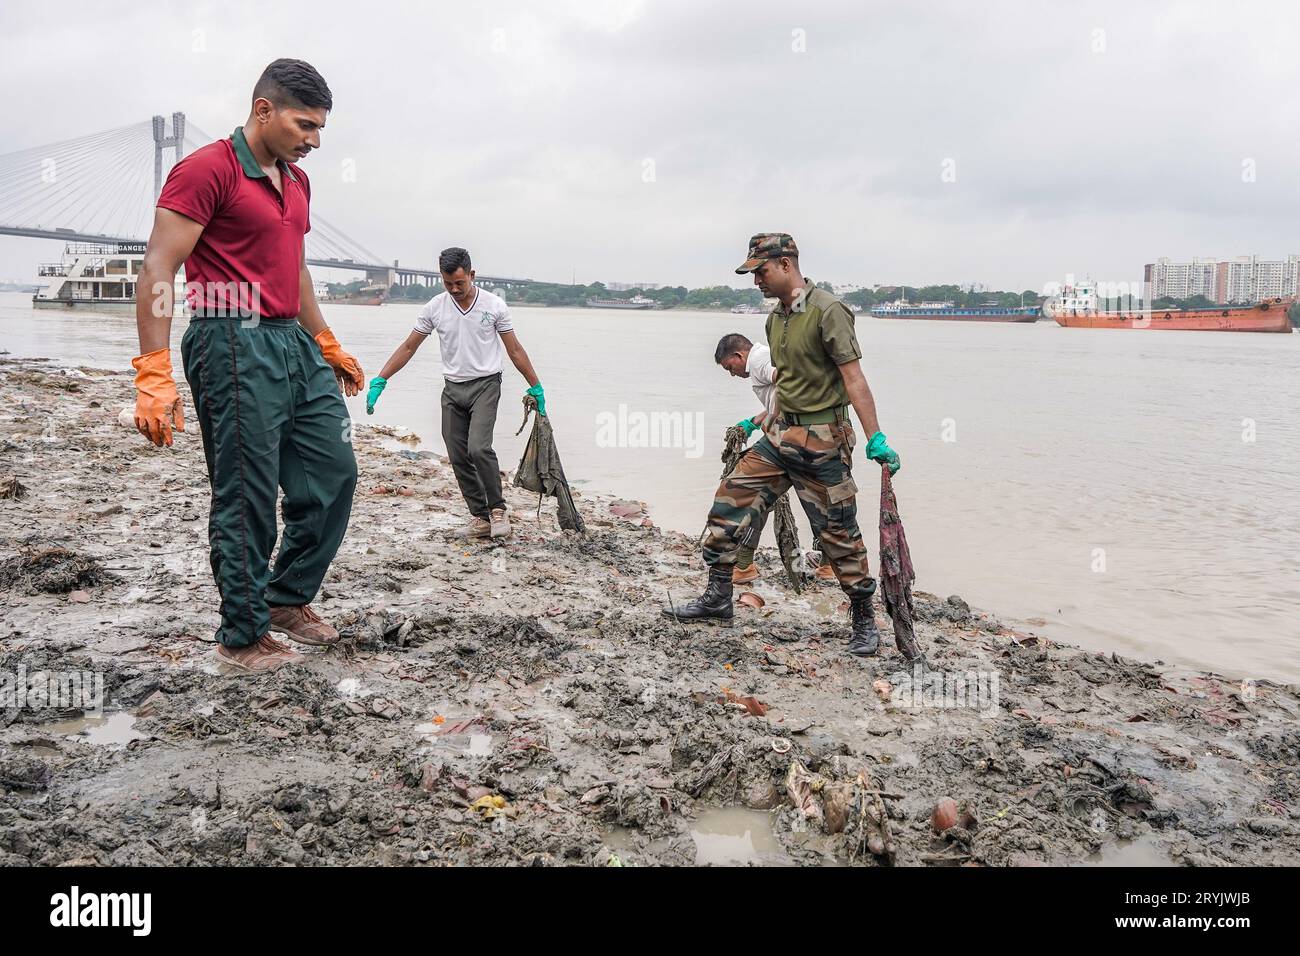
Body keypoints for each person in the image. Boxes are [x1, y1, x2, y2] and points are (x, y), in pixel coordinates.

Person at [132, 59, 364, 672]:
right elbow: (159, 266)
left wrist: (327, 340)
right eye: (305, 124)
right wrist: (153, 369)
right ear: (263, 109)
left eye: (320, 129)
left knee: (333, 472)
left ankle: (286, 597)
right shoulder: (206, 169)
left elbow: (296, 266)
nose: (314, 140)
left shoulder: (296, 182)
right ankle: (242, 634)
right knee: (248, 492)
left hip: (292, 341)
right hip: (230, 337)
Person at [666, 233, 901, 657]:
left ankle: (864, 620)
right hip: (779, 437)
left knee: (838, 534)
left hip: (823, 441)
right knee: (728, 503)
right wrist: (762, 423)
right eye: (752, 271)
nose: (755, 278)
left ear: (787, 264)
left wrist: (876, 437)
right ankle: (718, 598)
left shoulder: (829, 311)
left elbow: (854, 378)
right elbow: (786, 385)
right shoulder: (774, 321)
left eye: (761, 270)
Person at [366, 247, 544, 539]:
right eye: (448, 283)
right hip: (452, 389)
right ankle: (480, 517)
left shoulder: (494, 305)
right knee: (457, 454)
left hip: (486, 385)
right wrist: (381, 380)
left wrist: (535, 385)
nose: (454, 289)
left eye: (460, 283)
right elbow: (410, 346)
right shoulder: (435, 307)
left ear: (472, 275)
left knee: (478, 447)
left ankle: (498, 511)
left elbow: (514, 349)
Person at [714, 332, 835, 585]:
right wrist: (754, 422)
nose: (731, 373)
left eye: (729, 367)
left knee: (757, 496)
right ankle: (824, 566)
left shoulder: (758, 358)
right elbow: (780, 394)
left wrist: (774, 420)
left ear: (739, 355)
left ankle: (826, 566)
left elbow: (789, 382)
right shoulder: (762, 359)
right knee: (818, 502)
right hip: (799, 435)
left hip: (796, 438)